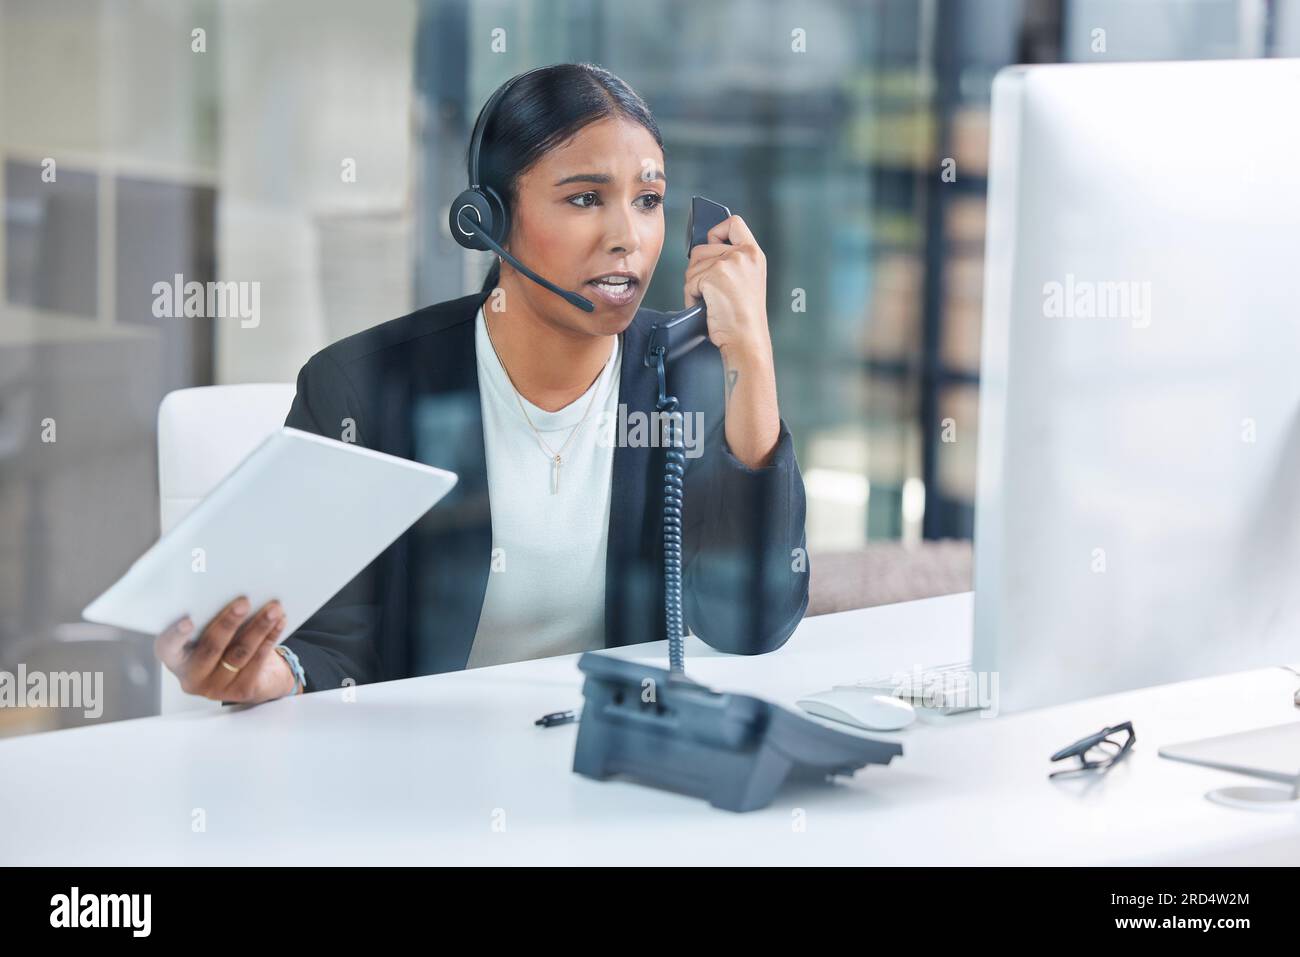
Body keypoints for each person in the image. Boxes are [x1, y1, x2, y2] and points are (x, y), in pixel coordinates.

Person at [155, 62, 809, 704]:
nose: (627, 238)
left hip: (614, 766)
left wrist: (751, 352)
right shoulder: (361, 386)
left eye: (648, 200)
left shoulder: (685, 375)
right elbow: (335, 637)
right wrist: (275, 672)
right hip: (421, 774)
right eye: (585, 198)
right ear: (488, 221)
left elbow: (752, 621)